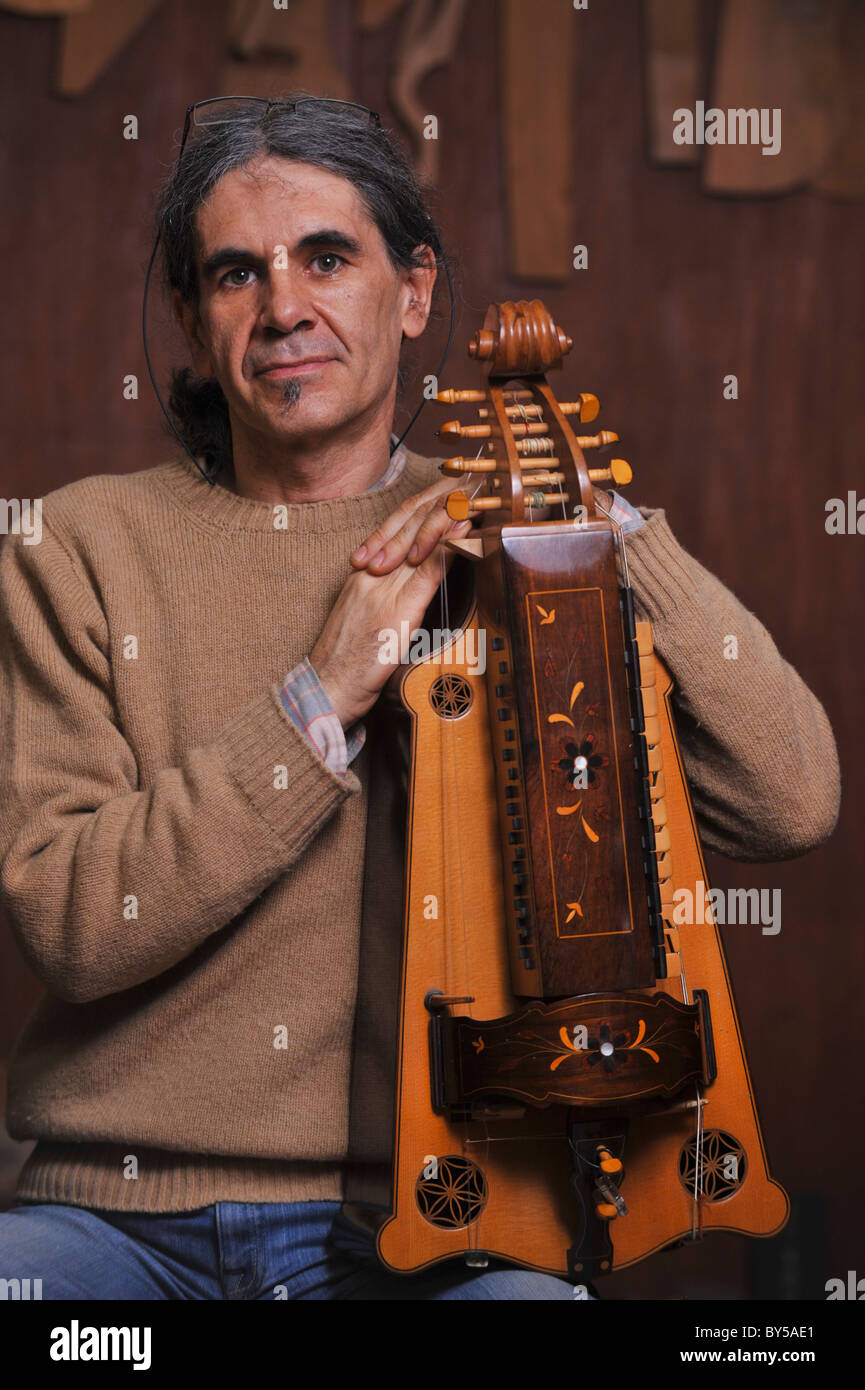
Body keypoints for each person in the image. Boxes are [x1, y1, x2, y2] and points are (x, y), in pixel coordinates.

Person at [0, 97, 840, 1301]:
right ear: (190, 319)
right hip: (117, 1227)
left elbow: (792, 795)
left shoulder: (525, 541)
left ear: (413, 290)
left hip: (440, 1223)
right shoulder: (76, 548)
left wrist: (603, 531)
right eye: (236, 273)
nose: (283, 306)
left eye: (326, 258)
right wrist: (322, 696)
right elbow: (76, 923)